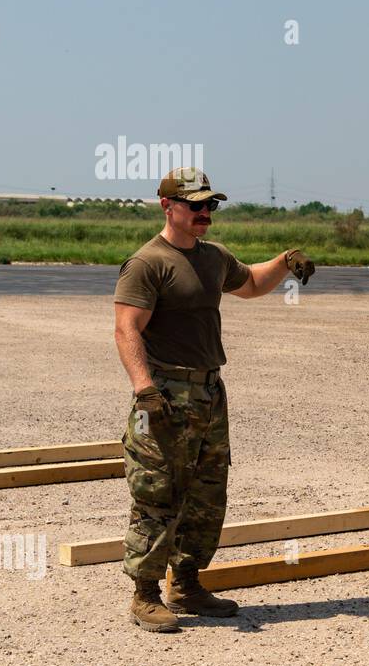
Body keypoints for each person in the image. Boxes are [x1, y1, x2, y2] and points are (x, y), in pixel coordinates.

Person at [113, 168, 315, 633]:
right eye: (196, 205)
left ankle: (185, 583)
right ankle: (144, 594)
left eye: (211, 206)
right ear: (168, 206)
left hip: (208, 391)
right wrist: (144, 389)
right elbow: (127, 329)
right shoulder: (147, 263)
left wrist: (285, 260)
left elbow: (251, 285)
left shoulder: (213, 258)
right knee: (157, 492)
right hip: (162, 393)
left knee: (207, 492)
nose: (205, 213)